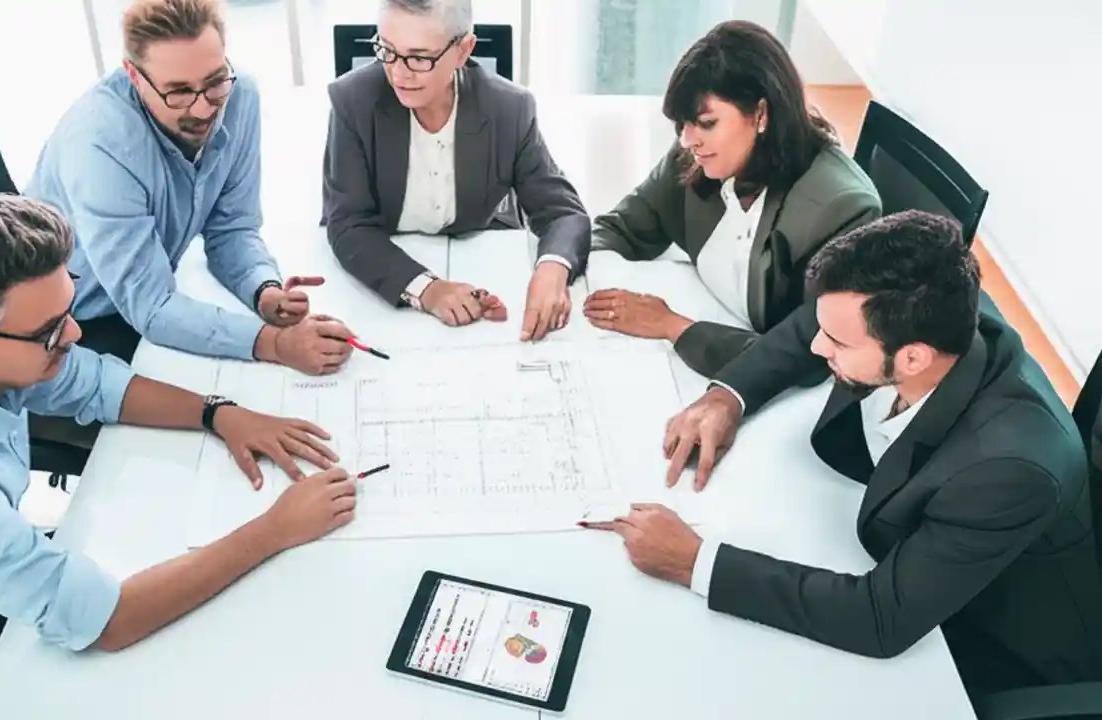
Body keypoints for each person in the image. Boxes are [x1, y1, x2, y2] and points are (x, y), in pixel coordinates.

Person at [0, 197, 358, 720]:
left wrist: (217, 412)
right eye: (51, 332)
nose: (74, 334)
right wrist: (275, 529)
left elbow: (94, 383)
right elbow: (110, 621)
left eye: (69, 307)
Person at [585, 211, 1102, 698]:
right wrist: (728, 395)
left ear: (913, 357)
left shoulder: (1007, 469)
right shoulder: (928, 318)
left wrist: (695, 562)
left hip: (982, 646)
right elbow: (809, 327)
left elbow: (881, 618)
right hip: (884, 532)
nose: (817, 347)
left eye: (837, 342)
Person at [26, 0, 353, 375]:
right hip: (69, 328)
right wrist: (276, 344)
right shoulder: (97, 144)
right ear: (133, 75)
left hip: (151, 291)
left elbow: (232, 228)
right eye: (177, 92)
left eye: (214, 81)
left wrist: (264, 290)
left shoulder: (240, 95)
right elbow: (151, 306)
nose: (203, 110)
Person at [585, 20, 880, 377]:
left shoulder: (840, 208)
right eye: (683, 124)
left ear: (761, 114)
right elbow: (620, 227)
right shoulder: (697, 152)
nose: (687, 140)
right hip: (703, 334)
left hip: (771, 382)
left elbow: (809, 353)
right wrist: (593, 293)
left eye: (707, 123)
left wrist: (673, 326)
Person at [322, 0, 590, 341]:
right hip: (381, 273)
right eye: (386, 50)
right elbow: (348, 224)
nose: (399, 73)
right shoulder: (351, 100)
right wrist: (428, 290)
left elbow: (564, 213)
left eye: (419, 58)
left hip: (477, 253)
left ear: (463, 51)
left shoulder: (510, 108)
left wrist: (552, 270)